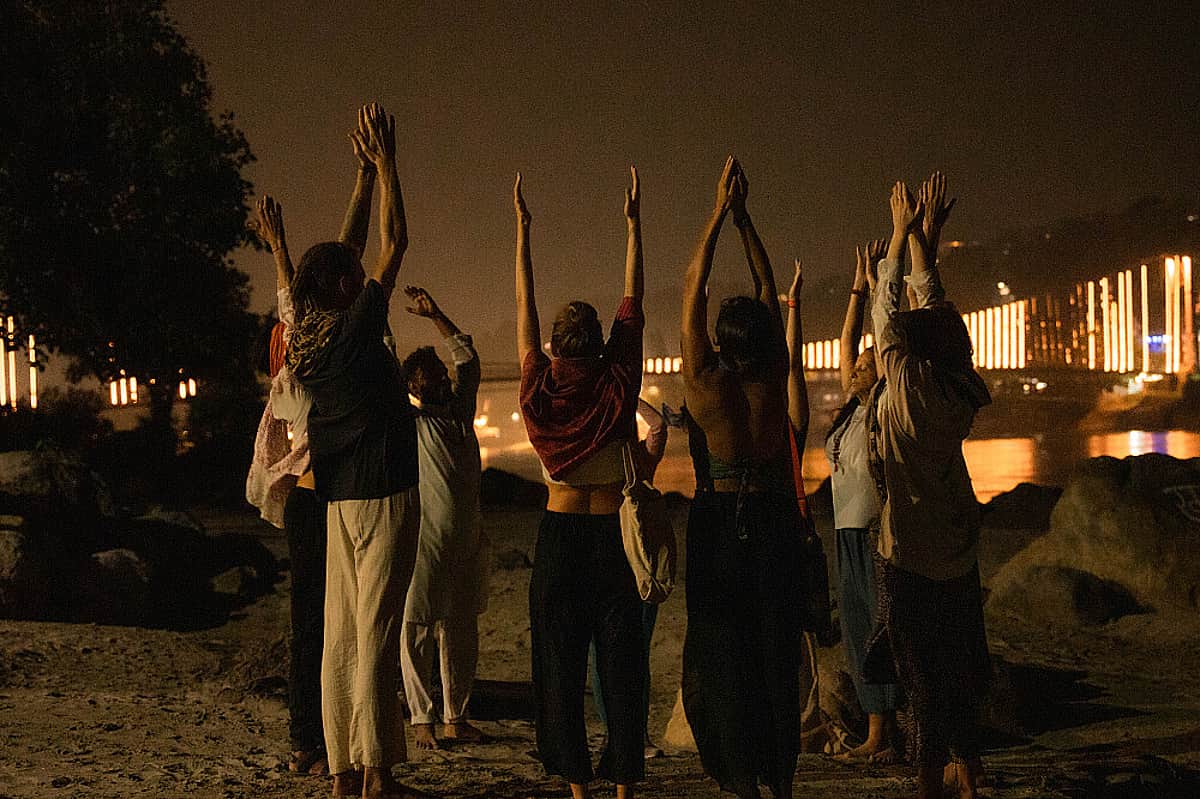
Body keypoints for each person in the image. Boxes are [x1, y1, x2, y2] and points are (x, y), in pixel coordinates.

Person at [286, 103, 429, 799]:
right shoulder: (353, 327)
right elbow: (393, 242)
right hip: (386, 492)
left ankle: (344, 770)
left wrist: (359, 179)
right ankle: (376, 774)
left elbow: (335, 259)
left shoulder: (304, 336)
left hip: (339, 498)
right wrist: (389, 165)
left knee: (341, 636)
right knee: (374, 635)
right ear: (344, 290)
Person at [515, 167, 646, 799]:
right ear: (599, 344)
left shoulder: (539, 387)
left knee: (559, 666)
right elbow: (633, 301)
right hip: (613, 537)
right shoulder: (618, 382)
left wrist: (522, 234)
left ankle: (576, 782)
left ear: (553, 346)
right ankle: (623, 781)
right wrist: (632, 225)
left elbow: (525, 305)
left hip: (561, 537)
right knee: (622, 665)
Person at [679, 157, 806, 799]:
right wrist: (744, 214)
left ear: (722, 344)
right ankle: (779, 781)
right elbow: (766, 280)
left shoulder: (705, 386)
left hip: (718, 523)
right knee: (777, 657)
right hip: (776, 520)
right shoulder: (774, 377)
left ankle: (742, 783)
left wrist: (714, 217)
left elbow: (692, 293)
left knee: (723, 660)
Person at [863, 175, 992, 799]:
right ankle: (968, 780)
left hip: (907, 555)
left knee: (921, 682)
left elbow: (885, 313)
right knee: (961, 669)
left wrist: (899, 232)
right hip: (957, 553)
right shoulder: (959, 392)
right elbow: (931, 315)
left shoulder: (904, 391)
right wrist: (924, 247)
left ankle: (926, 785)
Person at [397, 285, 490, 752]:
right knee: (415, 626)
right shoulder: (408, 422)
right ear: (414, 386)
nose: (444, 379)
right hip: (423, 538)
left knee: (460, 627)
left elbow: (468, 360)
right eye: (433, 375)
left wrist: (437, 315)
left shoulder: (459, 414)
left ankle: (456, 716)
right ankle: (421, 719)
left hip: (467, 536)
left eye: (441, 372)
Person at [823, 238, 900, 763]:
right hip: (845, 532)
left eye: (867, 364)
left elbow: (884, 342)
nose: (856, 367)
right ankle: (879, 732)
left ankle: (885, 734)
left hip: (874, 532)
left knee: (879, 629)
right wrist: (856, 285)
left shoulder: (885, 405)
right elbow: (847, 340)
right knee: (856, 630)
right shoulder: (850, 410)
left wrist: (878, 290)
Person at [588, 397, 670, 761]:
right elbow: (657, 425)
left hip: (623, 564)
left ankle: (627, 735)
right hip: (630, 563)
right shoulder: (635, 459)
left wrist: (621, 393)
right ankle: (626, 735)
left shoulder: (623, 458)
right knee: (623, 654)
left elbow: (657, 426)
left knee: (615, 654)